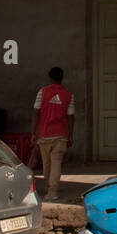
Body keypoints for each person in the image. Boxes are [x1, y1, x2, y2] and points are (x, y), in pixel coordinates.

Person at [32, 66, 74, 201]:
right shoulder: (69, 95)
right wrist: (70, 135)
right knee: (56, 164)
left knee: (47, 164)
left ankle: (48, 189)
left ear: (49, 77)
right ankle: (53, 192)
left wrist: (34, 132)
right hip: (61, 135)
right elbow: (71, 116)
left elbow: (36, 112)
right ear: (62, 78)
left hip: (44, 134)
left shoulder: (42, 92)